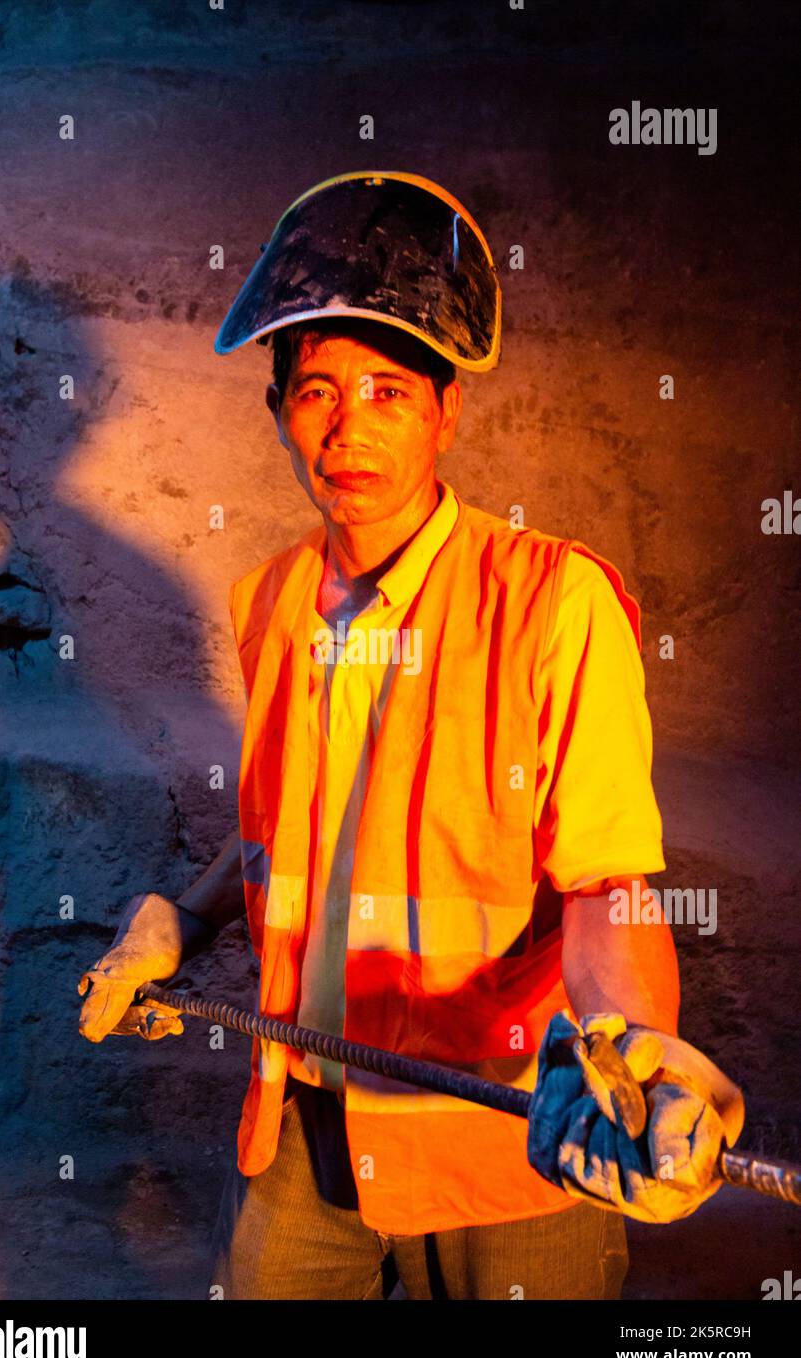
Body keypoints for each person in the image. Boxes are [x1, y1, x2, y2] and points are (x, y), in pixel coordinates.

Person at [78, 172, 744, 1300]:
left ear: (447, 410)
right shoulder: (272, 603)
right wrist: (175, 925)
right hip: (299, 1119)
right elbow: (299, 833)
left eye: (389, 391)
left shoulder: (551, 602)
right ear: (278, 408)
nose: (348, 431)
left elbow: (604, 884)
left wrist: (637, 1053)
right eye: (317, 391)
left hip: (500, 1141)